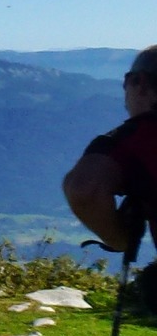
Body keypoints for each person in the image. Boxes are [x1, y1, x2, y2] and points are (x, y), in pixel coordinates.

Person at [63, 46, 157, 255]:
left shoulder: (138, 137)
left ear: (139, 83)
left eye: (127, 81)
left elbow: (84, 190)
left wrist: (121, 239)